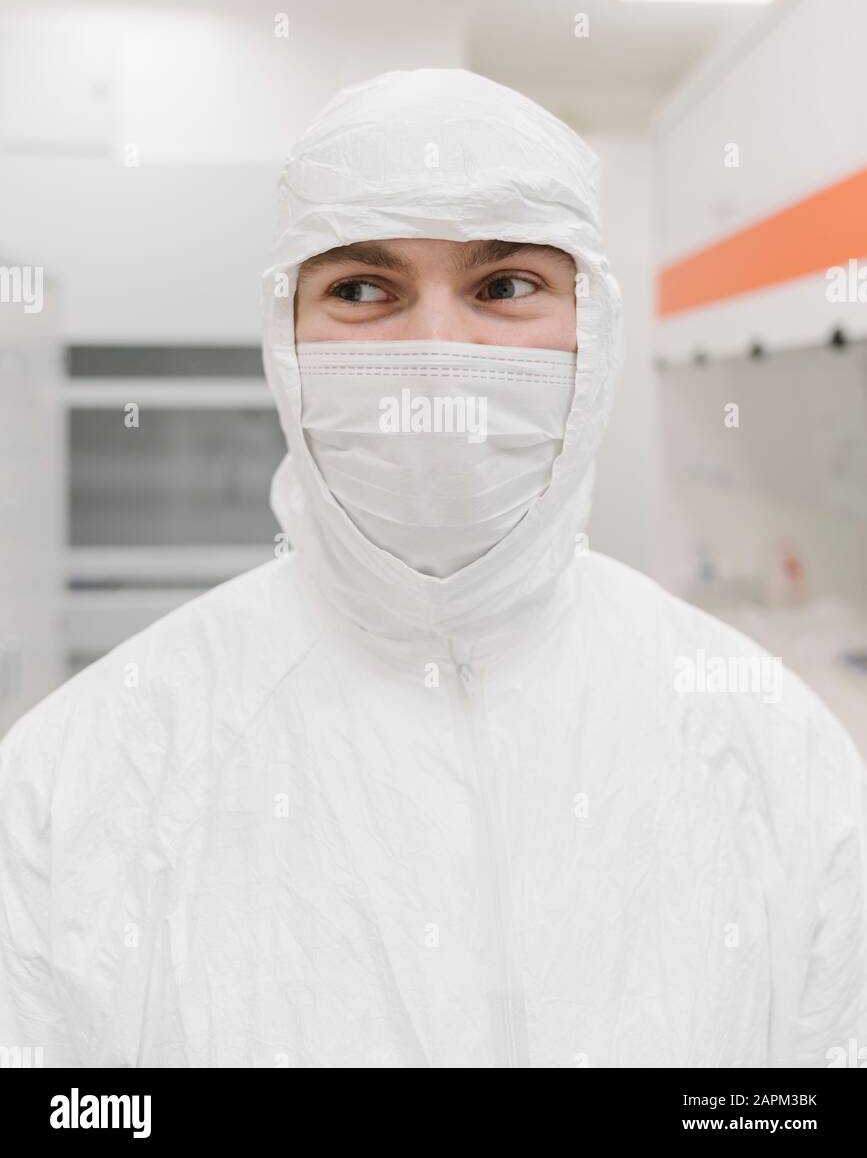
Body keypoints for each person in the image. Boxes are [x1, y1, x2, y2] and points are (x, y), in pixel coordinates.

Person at [0, 68, 864, 1069]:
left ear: (598, 329)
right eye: (363, 290)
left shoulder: (772, 748)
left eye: (506, 286)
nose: (438, 359)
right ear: (283, 334)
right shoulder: (83, 777)